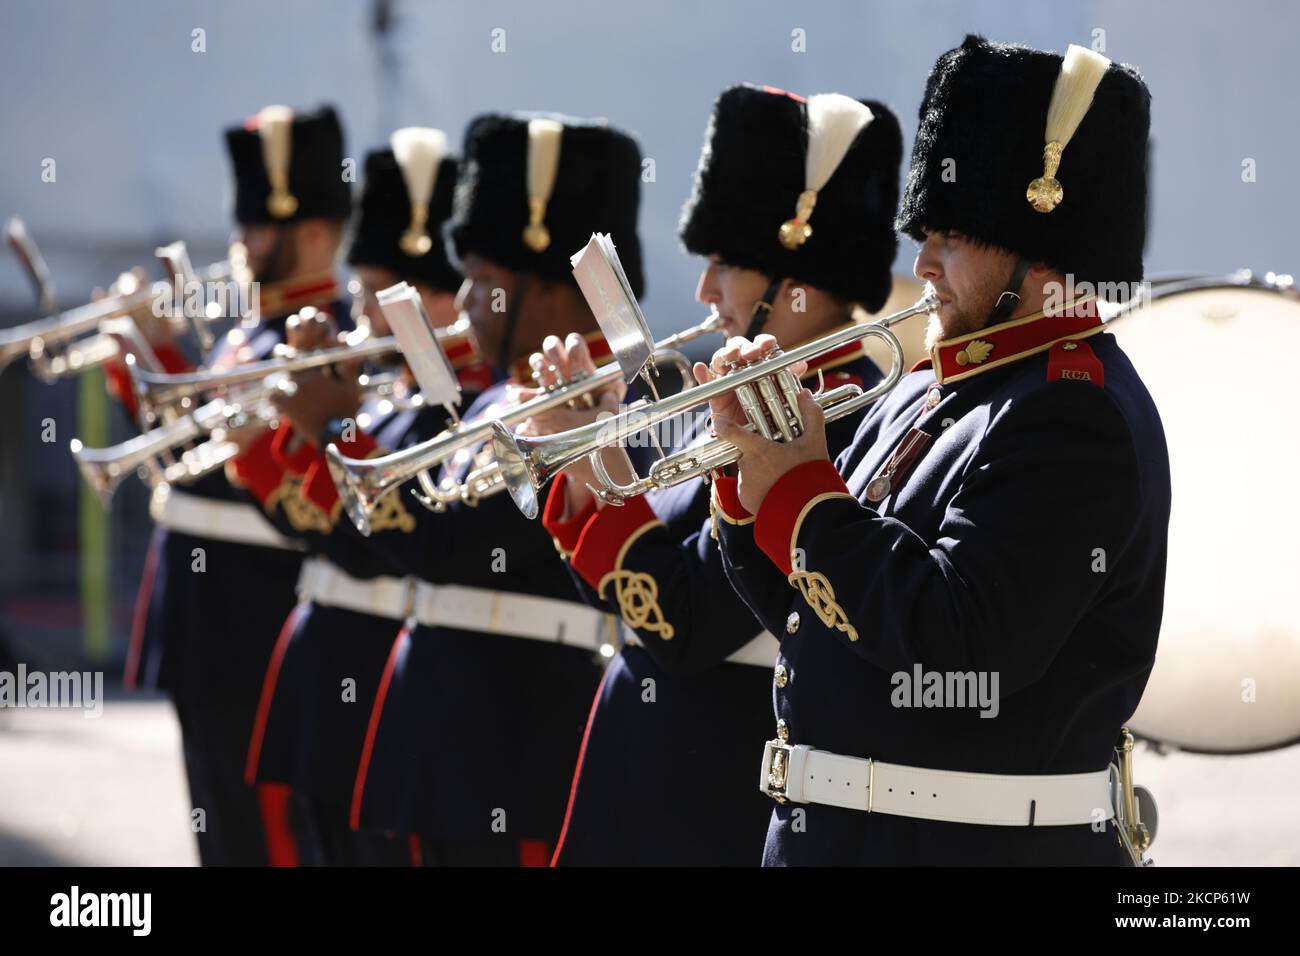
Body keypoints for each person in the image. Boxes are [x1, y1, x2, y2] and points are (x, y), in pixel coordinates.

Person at [708, 36, 1170, 865]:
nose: (920, 262)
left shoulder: (1073, 411)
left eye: (950, 235)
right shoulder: (932, 388)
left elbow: (964, 639)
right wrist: (751, 488)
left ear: (1039, 250)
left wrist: (802, 495)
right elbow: (812, 611)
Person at [524, 85, 902, 864]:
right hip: (659, 782)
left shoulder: (838, 411)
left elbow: (684, 621)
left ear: (797, 263)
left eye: (725, 263)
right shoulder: (747, 392)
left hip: (712, 796)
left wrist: (600, 457)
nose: (703, 291)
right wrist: (593, 458)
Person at [338, 113, 650, 864]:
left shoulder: (627, 397)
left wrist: (337, 431)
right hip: (449, 742)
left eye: (482, 281)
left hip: (520, 744)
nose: (466, 302)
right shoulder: (493, 397)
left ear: (544, 284)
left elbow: (458, 546)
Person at [228, 128, 493, 864]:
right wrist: (272, 447)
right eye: (362, 292)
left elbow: (377, 543)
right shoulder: (391, 398)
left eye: (380, 295)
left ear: (437, 296)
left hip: (389, 667)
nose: (362, 315)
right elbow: (320, 528)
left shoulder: (460, 408)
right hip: (335, 657)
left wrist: (330, 429)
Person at [126, 104, 352, 865]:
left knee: (269, 834)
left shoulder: (334, 337)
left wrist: (166, 369)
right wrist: (148, 359)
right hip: (208, 621)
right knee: (220, 830)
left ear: (316, 232)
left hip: (260, 615)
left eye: (261, 226)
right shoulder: (244, 336)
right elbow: (194, 452)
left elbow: (258, 470)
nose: (240, 243)